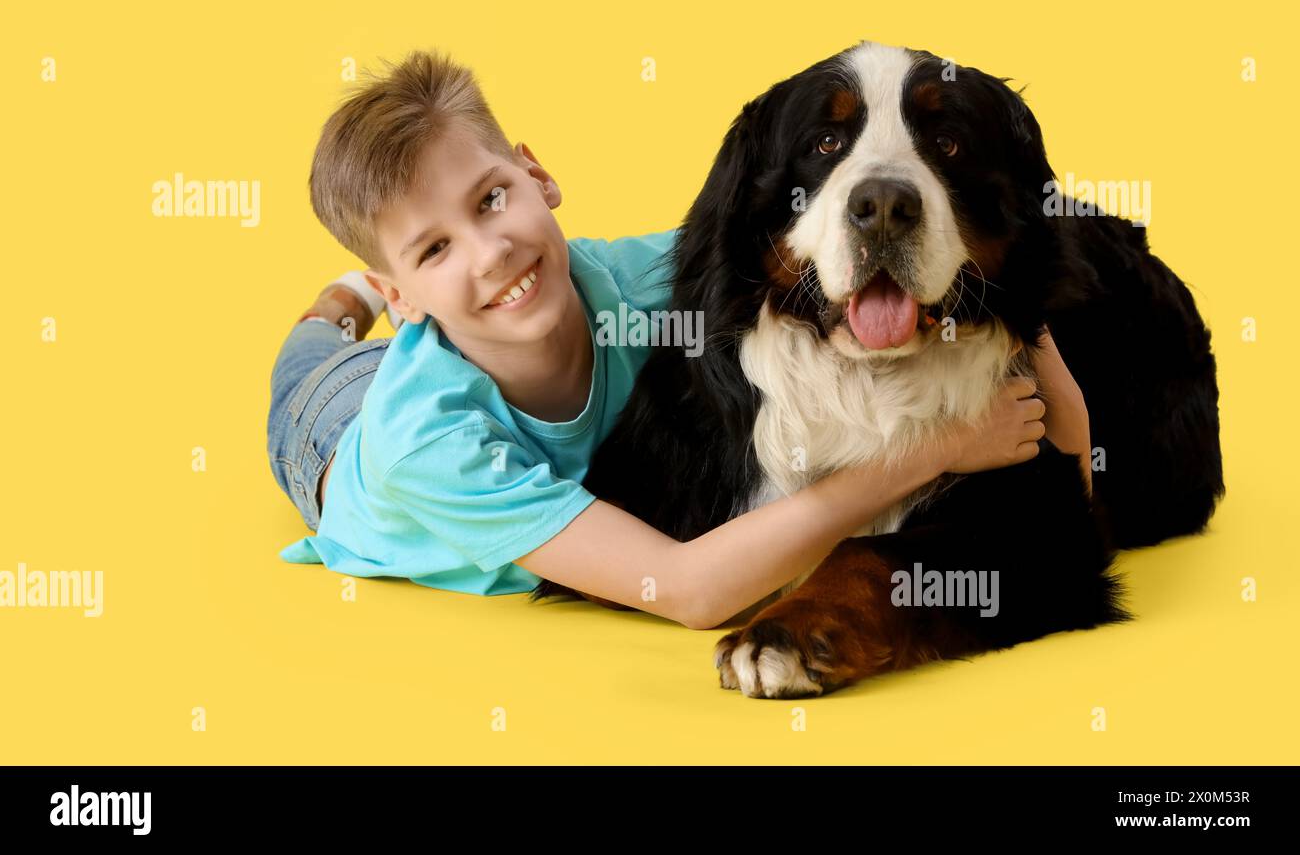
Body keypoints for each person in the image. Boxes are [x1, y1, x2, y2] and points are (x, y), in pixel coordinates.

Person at [267, 50, 1091, 631]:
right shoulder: (431, 449)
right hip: (335, 436)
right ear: (404, 293)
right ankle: (341, 304)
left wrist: (1002, 305)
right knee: (316, 356)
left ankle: (357, 302)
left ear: (537, 176)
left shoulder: (633, 280)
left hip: (429, 351)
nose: (493, 253)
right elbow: (690, 590)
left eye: (489, 200)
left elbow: (760, 237)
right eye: (434, 249)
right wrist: (932, 451)